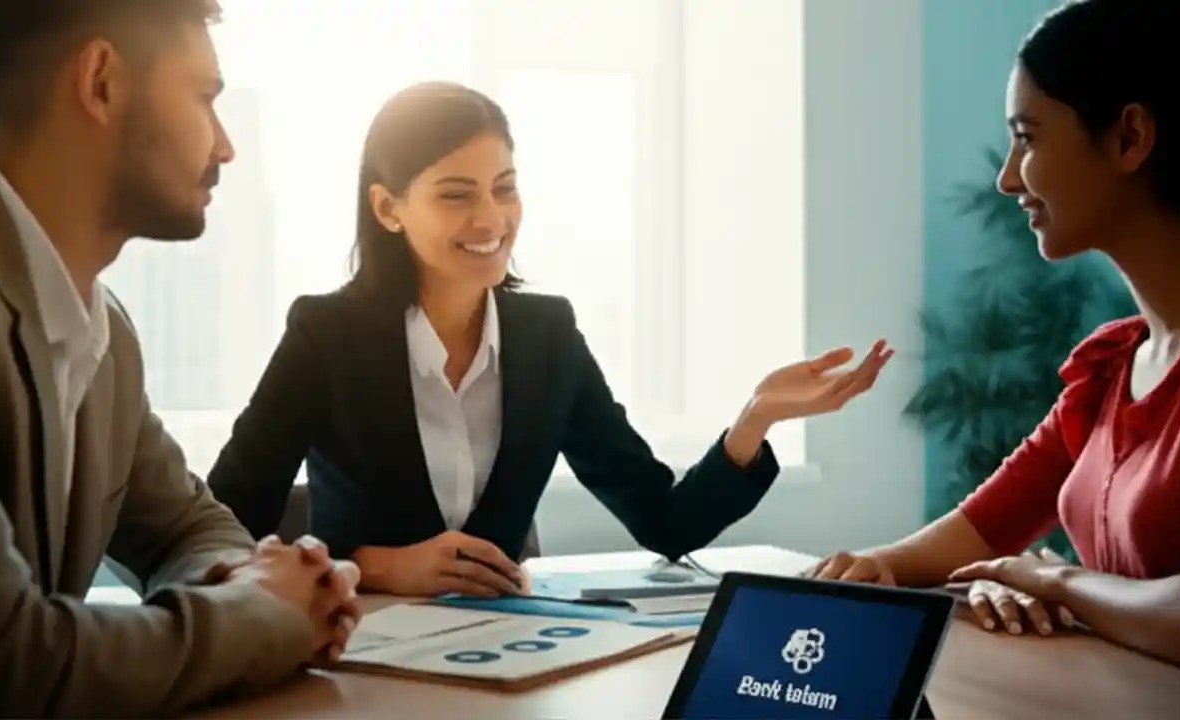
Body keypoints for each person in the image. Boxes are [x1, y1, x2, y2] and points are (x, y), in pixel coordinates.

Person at [207, 81, 894, 599]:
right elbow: (223, 527)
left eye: (504, 188)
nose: (492, 217)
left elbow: (666, 523)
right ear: (389, 208)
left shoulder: (547, 337)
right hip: (361, 649)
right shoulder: (326, 335)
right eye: (456, 194)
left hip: (510, 655)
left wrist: (757, 417)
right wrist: (371, 564)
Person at [813, 0, 1180, 679]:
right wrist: (894, 575)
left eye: (1028, 137)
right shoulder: (1116, 367)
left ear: (1129, 139)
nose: (1007, 177)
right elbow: (964, 542)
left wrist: (1059, 584)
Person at [0, 1, 360, 715]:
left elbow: (189, 528)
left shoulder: (105, 337)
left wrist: (262, 583)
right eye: (204, 98)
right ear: (101, 83)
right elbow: (9, 662)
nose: (225, 146)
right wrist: (267, 617)